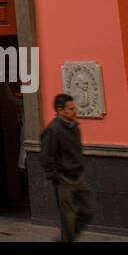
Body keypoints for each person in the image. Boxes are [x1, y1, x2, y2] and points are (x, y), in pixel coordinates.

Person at [41, 93, 93, 241]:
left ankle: (65, 238)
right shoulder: (53, 130)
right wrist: (56, 176)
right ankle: (67, 239)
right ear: (60, 110)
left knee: (88, 211)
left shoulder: (74, 127)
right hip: (64, 179)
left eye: (74, 108)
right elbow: (46, 156)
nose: (74, 111)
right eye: (70, 109)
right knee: (68, 218)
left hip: (79, 176)